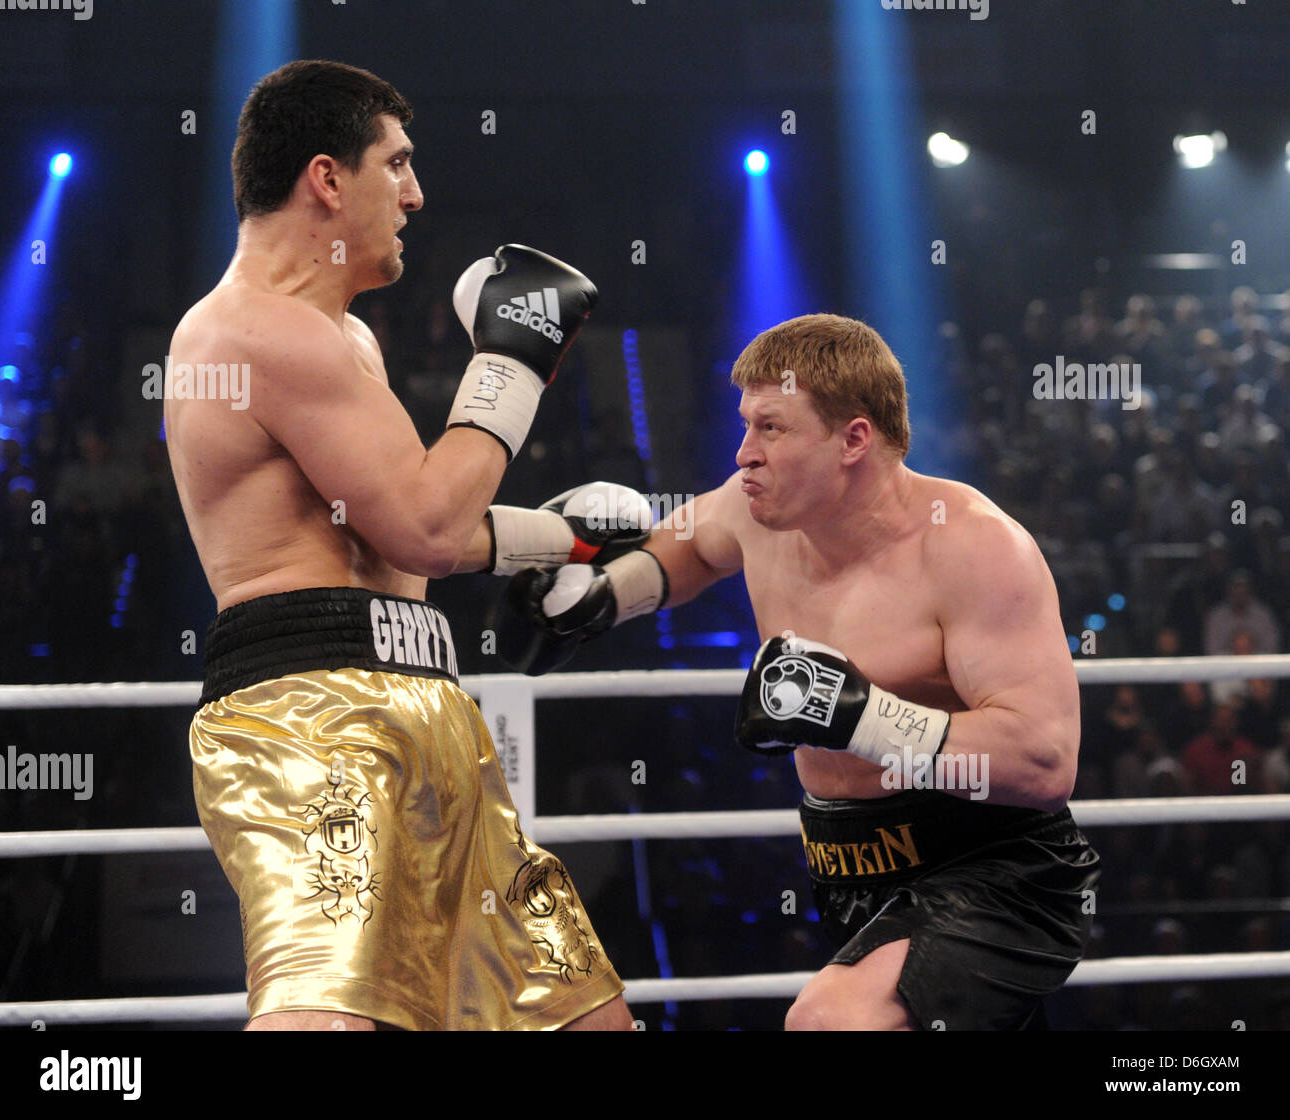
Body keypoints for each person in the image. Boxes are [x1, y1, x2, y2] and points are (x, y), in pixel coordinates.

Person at [164, 60, 643, 1031]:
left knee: (579, 1016)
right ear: (327, 180)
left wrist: (561, 541)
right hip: (306, 719)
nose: (416, 195)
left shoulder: (345, 340)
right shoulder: (248, 333)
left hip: (428, 706)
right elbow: (424, 520)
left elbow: (405, 538)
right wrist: (511, 363)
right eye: (398, 163)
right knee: (324, 1014)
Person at [499, 312, 1101, 1030]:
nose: (744, 454)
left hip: (994, 870)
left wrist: (863, 717)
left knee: (830, 1021)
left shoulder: (974, 547)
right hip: (848, 865)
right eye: (746, 425)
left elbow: (1044, 760)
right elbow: (682, 551)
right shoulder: (757, 512)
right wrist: (597, 600)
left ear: (854, 439)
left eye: (772, 428)